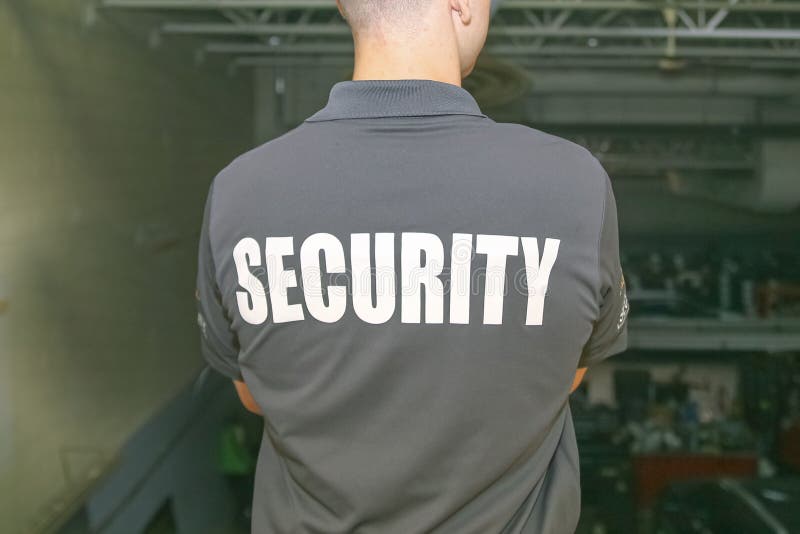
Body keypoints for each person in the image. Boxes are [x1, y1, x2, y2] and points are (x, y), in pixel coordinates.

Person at [195, 0, 629, 532]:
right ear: (463, 5)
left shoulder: (240, 192)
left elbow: (254, 391)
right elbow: (566, 372)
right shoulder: (575, 185)